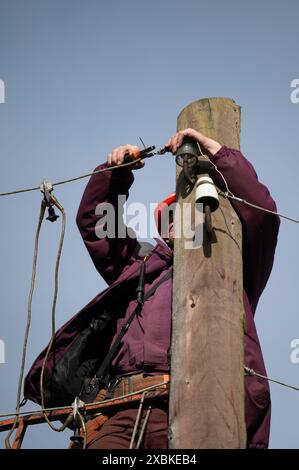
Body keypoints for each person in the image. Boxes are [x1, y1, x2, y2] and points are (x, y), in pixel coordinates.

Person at [24, 128, 280, 449]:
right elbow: (94, 222)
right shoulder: (140, 267)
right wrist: (116, 175)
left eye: (195, 210)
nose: (182, 220)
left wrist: (215, 151)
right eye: (173, 215)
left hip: (204, 408)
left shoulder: (234, 267)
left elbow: (261, 213)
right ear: (166, 227)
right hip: (122, 410)